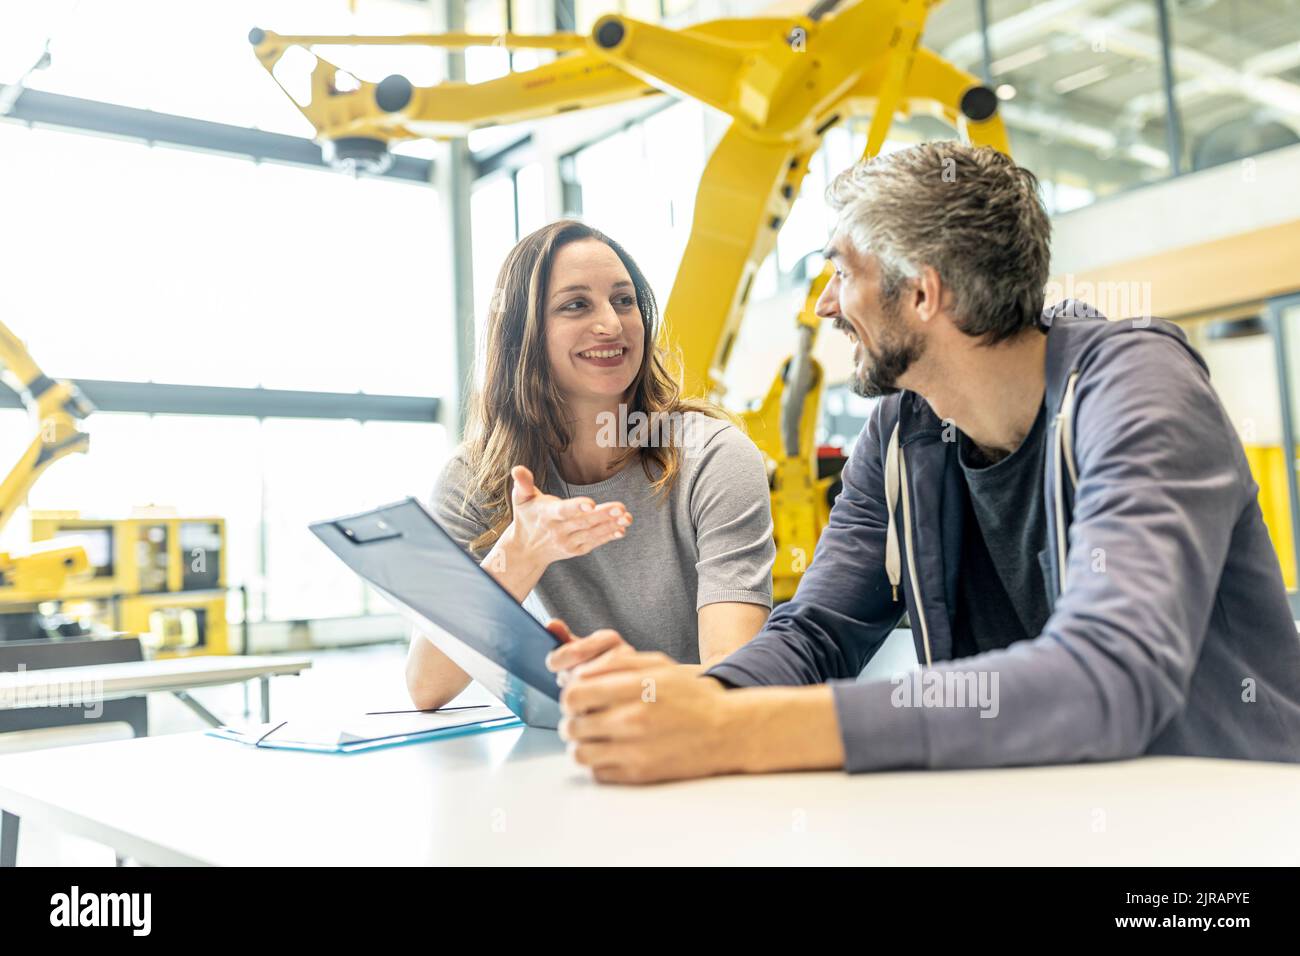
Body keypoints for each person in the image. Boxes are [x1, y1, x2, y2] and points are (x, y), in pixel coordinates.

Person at [550, 142, 1300, 783]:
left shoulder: (1137, 388)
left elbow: (1112, 674)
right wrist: (691, 699)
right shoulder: (906, 428)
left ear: (920, 293)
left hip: (1222, 826)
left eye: (840, 273)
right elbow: (817, 632)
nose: (823, 307)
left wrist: (735, 729)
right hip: (1044, 814)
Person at [406, 219, 775, 710]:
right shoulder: (476, 477)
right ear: (524, 334)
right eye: (576, 305)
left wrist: (623, 688)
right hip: (564, 755)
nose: (612, 324)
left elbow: (734, 678)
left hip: (697, 751)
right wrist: (518, 555)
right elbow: (427, 685)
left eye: (624, 301)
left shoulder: (712, 456)